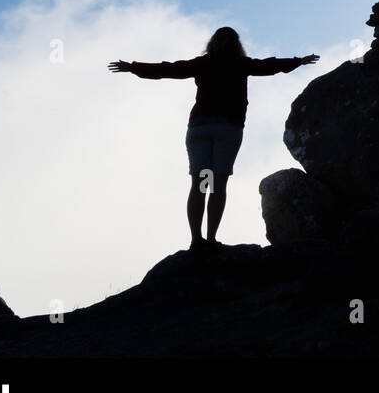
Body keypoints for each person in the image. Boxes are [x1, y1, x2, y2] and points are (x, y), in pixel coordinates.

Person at [108, 27, 318, 252]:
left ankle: (197, 240)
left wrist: (133, 67)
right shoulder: (240, 64)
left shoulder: (203, 63)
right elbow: (270, 66)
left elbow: (167, 69)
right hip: (227, 129)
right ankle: (210, 239)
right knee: (217, 185)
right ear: (237, 44)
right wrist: (299, 61)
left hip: (201, 128)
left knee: (200, 184)